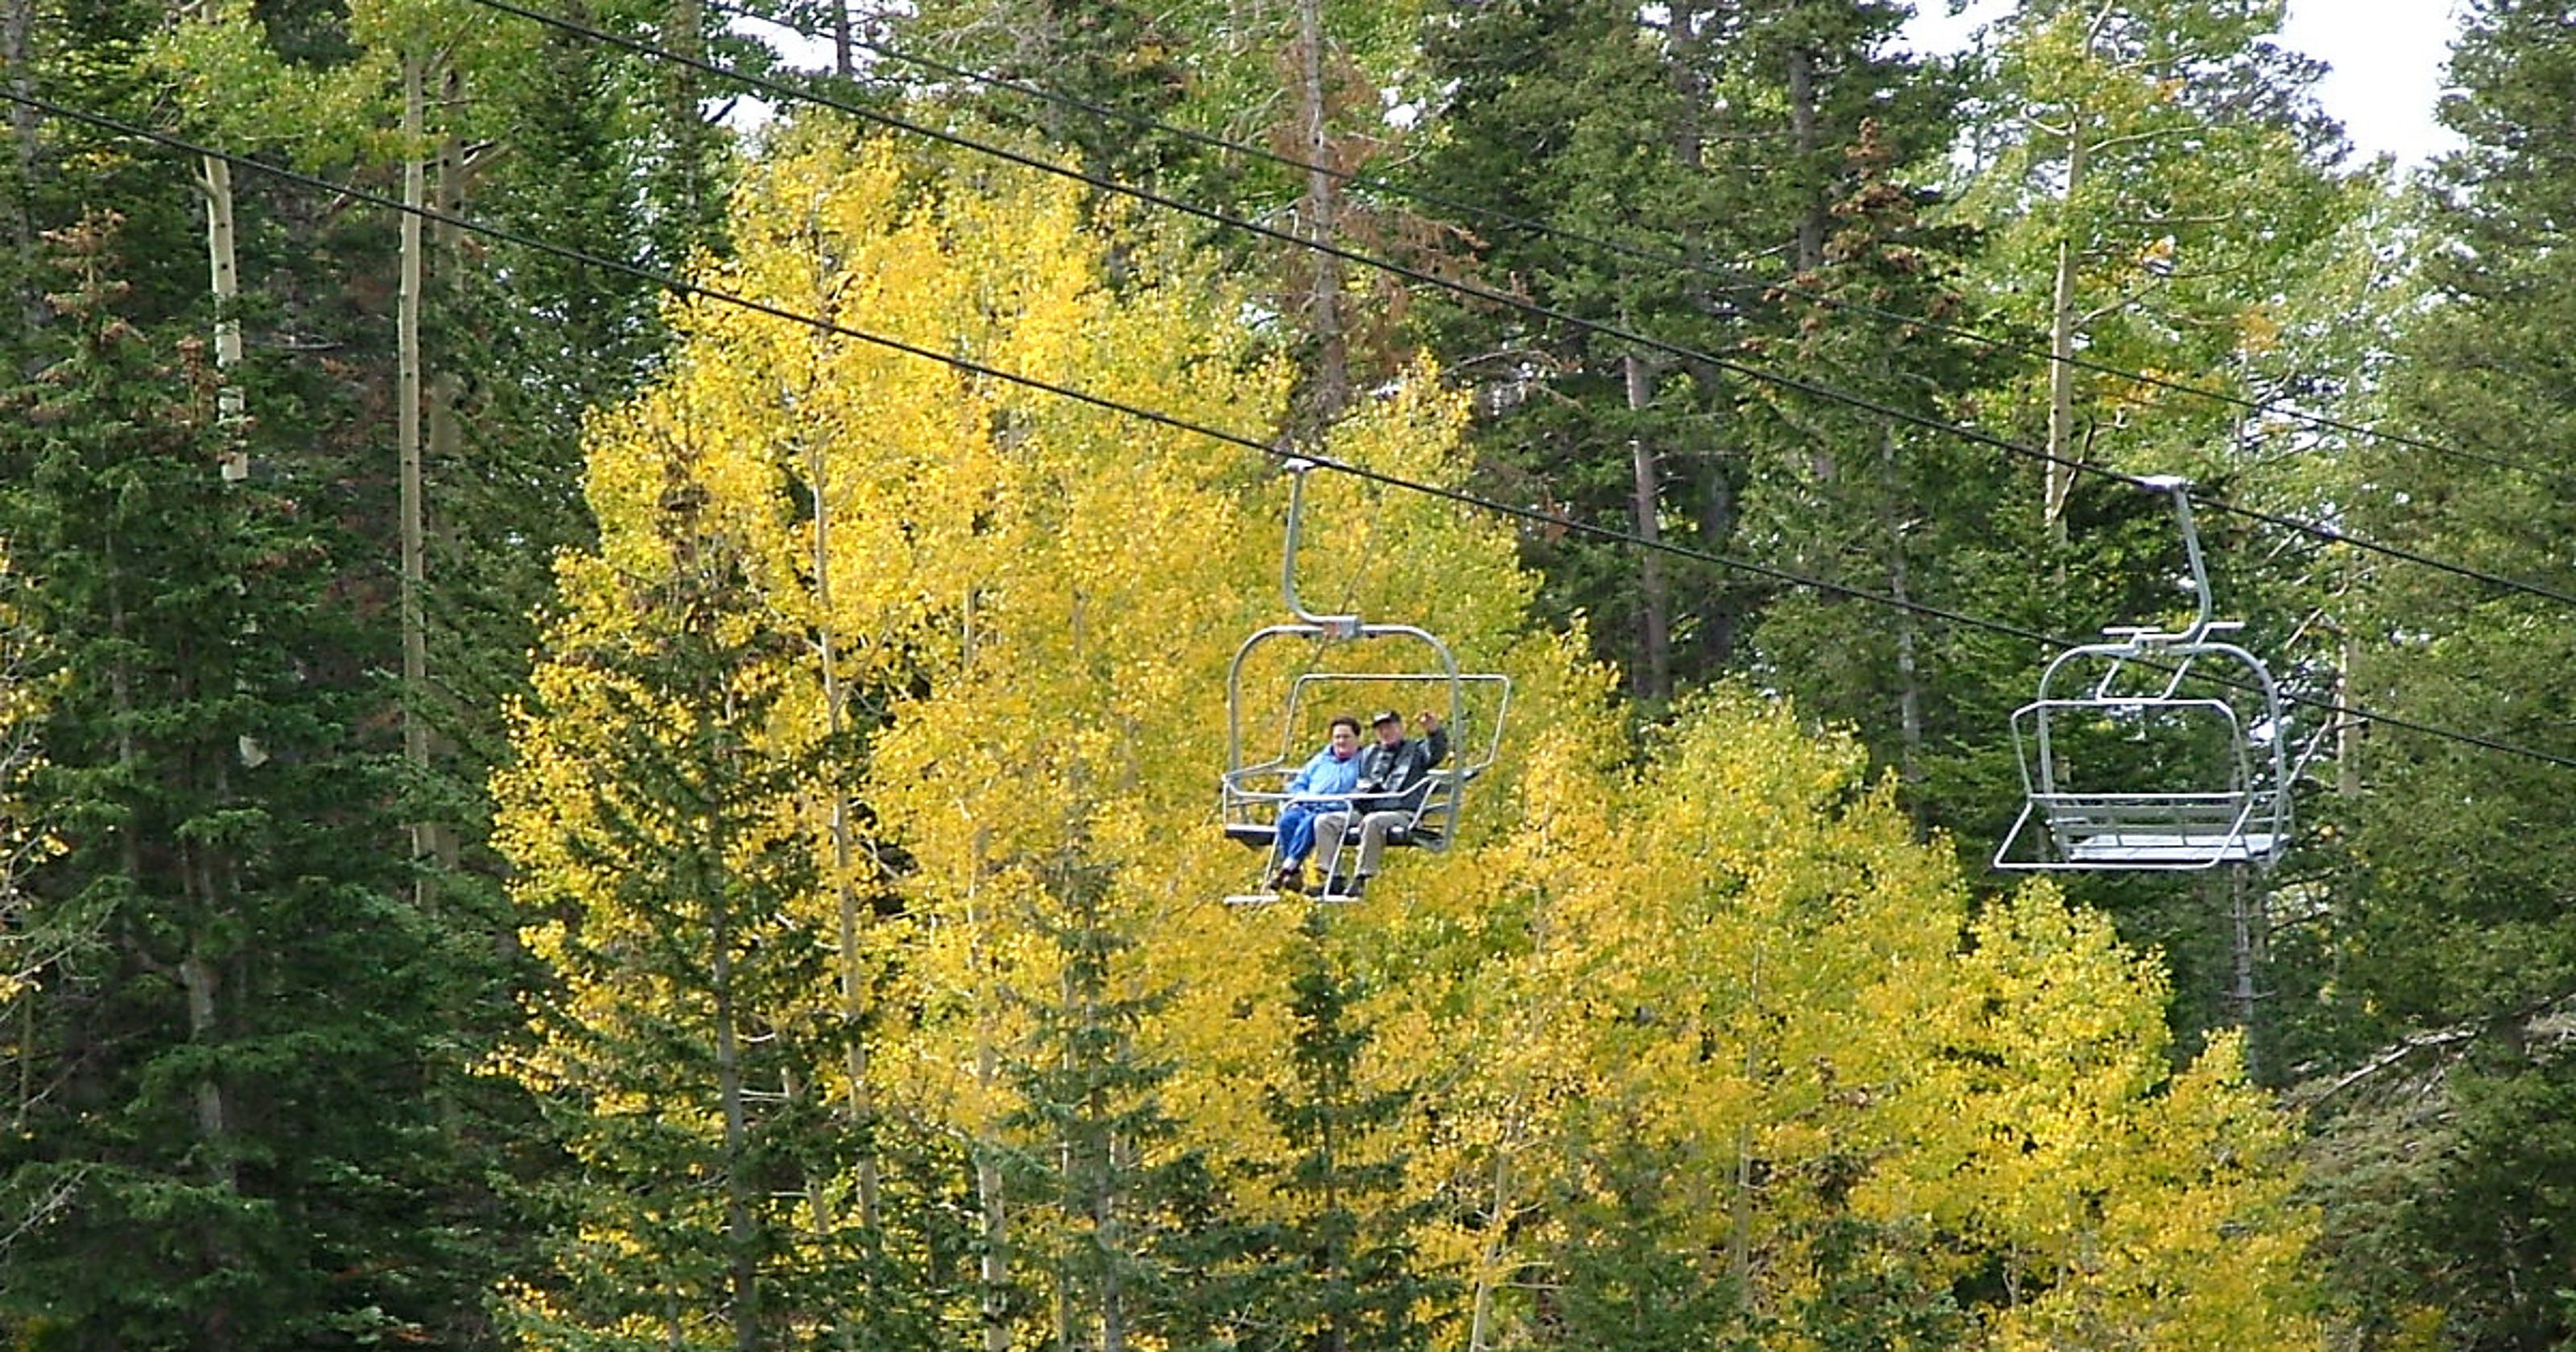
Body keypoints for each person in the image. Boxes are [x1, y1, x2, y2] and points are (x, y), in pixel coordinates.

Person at [1315, 709, 1447, 899]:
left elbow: (1436, 752)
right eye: (1381, 729)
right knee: (1325, 821)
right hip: (1368, 808)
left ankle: (1362, 877)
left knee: (1373, 821)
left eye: (1390, 727)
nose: (1386, 732)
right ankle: (1333, 877)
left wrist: (1434, 732)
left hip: (1402, 812)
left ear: (1400, 728)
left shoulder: (1417, 751)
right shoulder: (1370, 754)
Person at [1270, 715, 1364, 894]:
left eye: (1346, 737)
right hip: (1310, 804)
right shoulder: (1320, 760)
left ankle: (1288, 867)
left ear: (1356, 739)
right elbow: (1299, 784)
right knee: (1287, 821)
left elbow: (1366, 787)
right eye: (1337, 737)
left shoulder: (1364, 761)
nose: (1341, 741)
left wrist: (1335, 802)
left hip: (1338, 809)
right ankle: (1293, 871)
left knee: (1312, 822)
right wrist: (1304, 796)